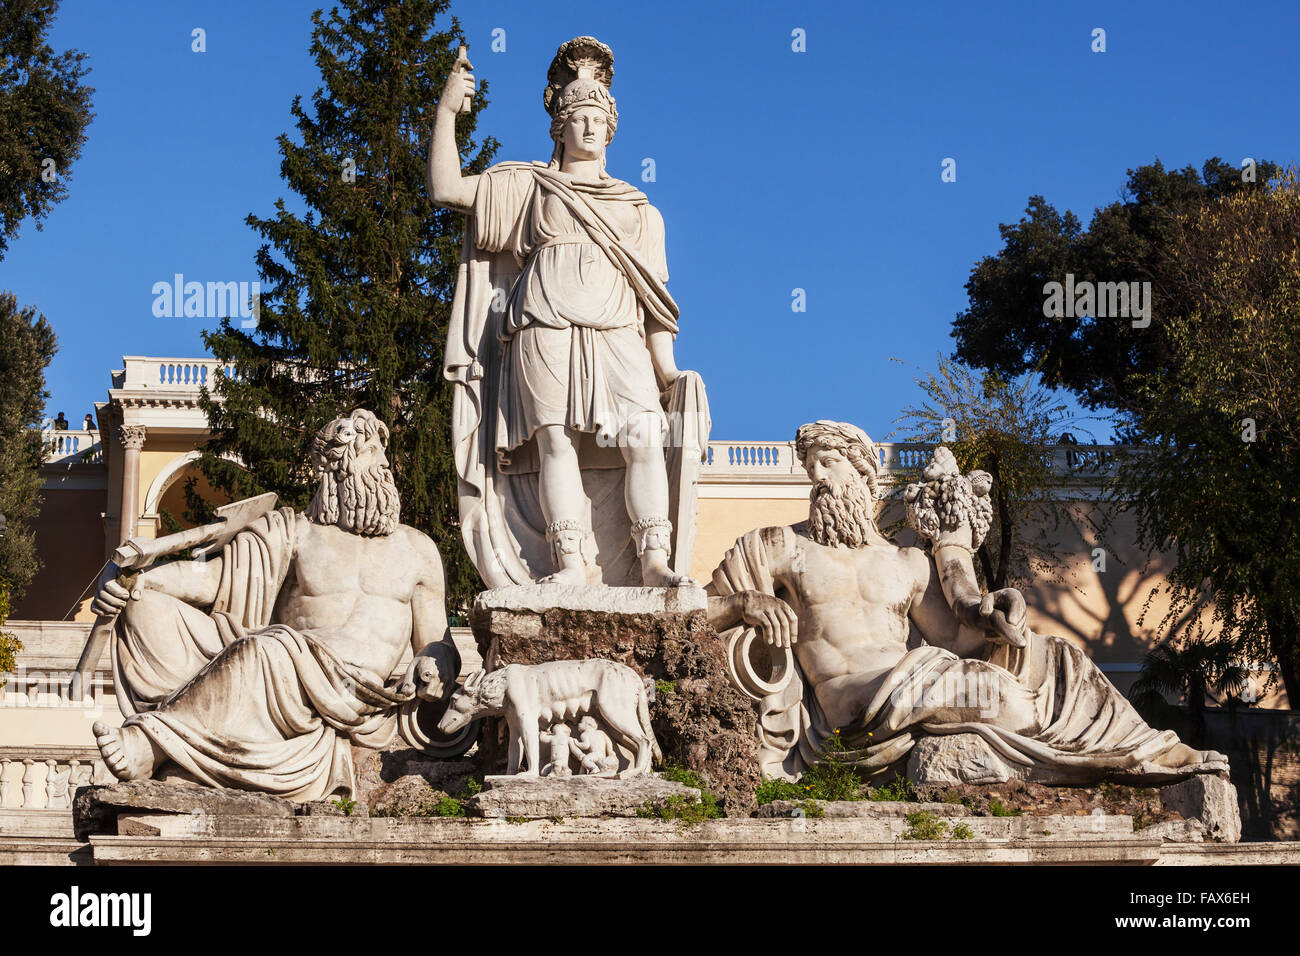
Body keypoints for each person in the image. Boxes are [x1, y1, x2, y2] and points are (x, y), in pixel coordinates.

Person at [706, 420, 1230, 783]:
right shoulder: (779, 547)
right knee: (984, 688)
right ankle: (1114, 760)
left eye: (827, 464)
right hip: (850, 705)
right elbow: (691, 615)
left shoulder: (906, 562)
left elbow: (956, 637)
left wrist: (994, 615)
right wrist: (744, 604)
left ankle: (1150, 749)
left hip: (917, 679)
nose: (815, 477)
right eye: (809, 467)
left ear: (863, 475)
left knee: (1057, 657)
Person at [431, 37, 707, 589]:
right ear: (559, 125)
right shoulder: (530, 186)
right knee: (554, 440)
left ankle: (654, 558)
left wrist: (670, 371)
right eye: (576, 116)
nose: (587, 128)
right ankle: (571, 563)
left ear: (611, 128)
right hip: (542, 321)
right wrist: (446, 113)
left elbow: (655, 305)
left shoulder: (640, 210)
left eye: (597, 118)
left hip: (616, 326)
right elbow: (446, 190)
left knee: (644, 435)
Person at [90, 410, 461, 801]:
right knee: (146, 607)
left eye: (382, 453)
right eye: (370, 452)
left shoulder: (416, 549)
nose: (384, 465)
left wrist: (437, 660)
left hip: (357, 690)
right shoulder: (293, 532)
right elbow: (211, 579)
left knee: (266, 649)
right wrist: (139, 581)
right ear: (334, 468)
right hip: (286, 672)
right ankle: (182, 745)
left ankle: (152, 744)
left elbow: (439, 642)